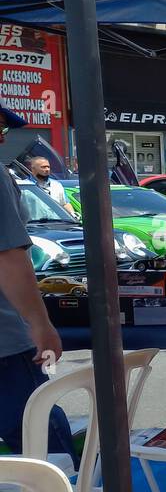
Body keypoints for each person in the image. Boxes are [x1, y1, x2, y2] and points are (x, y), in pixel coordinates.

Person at [0, 108, 74, 459]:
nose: (4, 136)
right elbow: (9, 257)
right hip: (4, 344)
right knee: (37, 427)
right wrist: (41, 326)